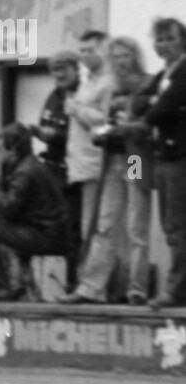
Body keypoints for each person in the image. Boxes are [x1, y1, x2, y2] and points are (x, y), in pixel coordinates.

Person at [62, 36, 151, 304]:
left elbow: (149, 122)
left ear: (135, 57)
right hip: (112, 159)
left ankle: (137, 288)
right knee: (105, 224)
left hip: (134, 157)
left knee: (136, 224)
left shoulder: (147, 84)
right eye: (116, 57)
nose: (121, 62)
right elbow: (105, 121)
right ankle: (91, 287)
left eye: (125, 56)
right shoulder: (113, 89)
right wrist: (104, 132)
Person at [0, 123, 72, 301]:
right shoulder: (25, 166)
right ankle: (3, 283)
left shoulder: (25, 172)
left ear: (13, 149)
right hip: (46, 231)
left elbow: (6, 211)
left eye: (1, 148)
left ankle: (5, 284)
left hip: (45, 236)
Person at [134, 17, 186, 308]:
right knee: (166, 226)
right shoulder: (161, 76)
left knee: (173, 227)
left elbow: (158, 110)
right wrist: (147, 104)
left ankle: (164, 289)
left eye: (170, 39)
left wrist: (149, 106)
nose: (164, 45)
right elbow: (137, 103)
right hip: (151, 157)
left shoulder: (180, 73)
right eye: (160, 40)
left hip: (166, 158)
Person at [30, 52, 83, 282]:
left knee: (75, 226)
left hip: (76, 171)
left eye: (64, 68)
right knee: (55, 225)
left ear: (76, 68)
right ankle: (53, 281)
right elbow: (45, 126)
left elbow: (82, 133)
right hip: (53, 172)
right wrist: (41, 133)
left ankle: (74, 278)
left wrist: (56, 135)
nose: (59, 74)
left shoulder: (83, 93)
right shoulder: (53, 96)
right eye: (55, 70)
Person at [65, 44, 114, 256]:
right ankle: (90, 279)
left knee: (99, 223)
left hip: (120, 159)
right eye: (82, 50)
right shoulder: (87, 82)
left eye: (90, 49)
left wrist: (77, 109)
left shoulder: (108, 83)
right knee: (89, 223)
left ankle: (99, 283)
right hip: (84, 162)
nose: (84, 55)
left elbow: (105, 120)